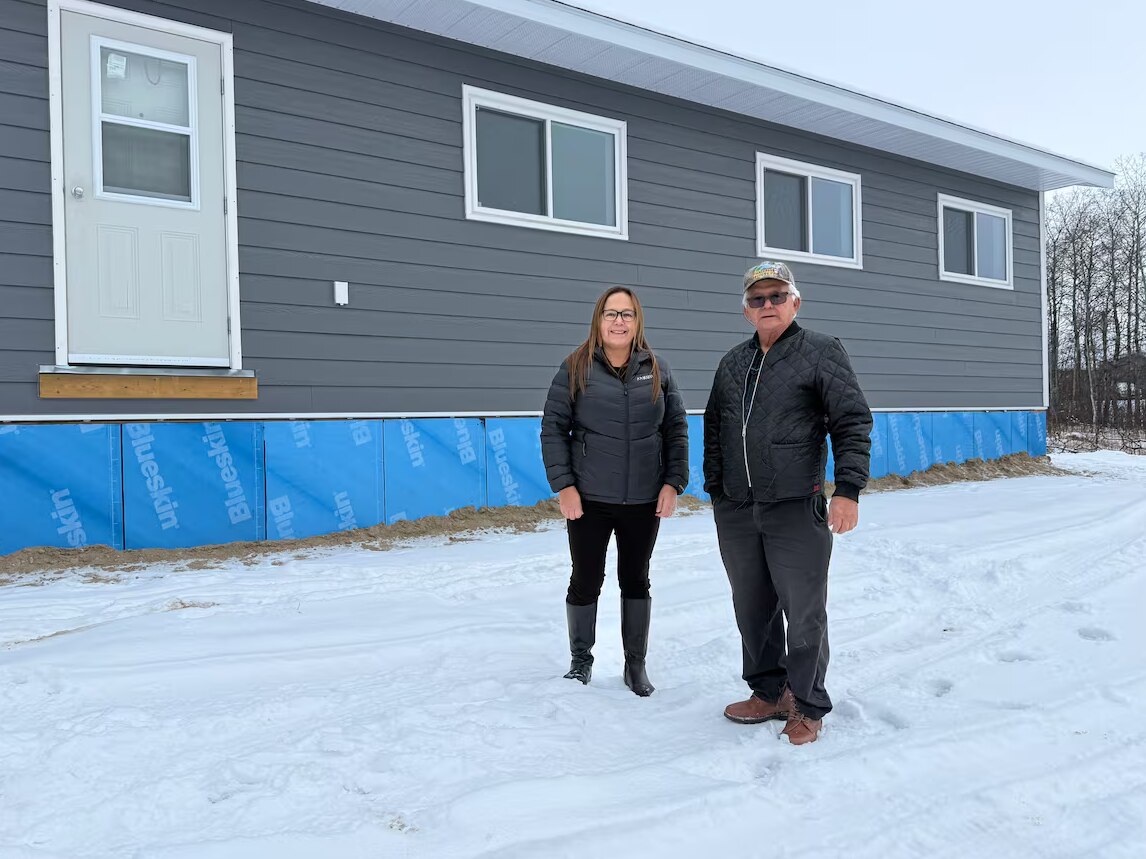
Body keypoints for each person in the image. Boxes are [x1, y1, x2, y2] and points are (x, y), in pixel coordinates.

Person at [704, 261, 872, 744]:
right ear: (746, 312)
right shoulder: (733, 362)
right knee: (752, 607)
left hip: (796, 504)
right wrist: (717, 490)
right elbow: (714, 429)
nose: (768, 305)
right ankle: (769, 690)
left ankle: (807, 703)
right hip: (737, 507)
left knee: (803, 610)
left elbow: (852, 422)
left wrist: (847, 491)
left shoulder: (821, 352)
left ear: (795, 302)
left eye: (777, 296)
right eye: (758, 299)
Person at [541, 286, 689, 697]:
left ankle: (635, 665)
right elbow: (553, 429)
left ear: (637, 321)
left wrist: (672, 483)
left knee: (635, 579)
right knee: (586, 580)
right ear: (598, 320)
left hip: (643, 499)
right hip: (589, 500)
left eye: (626, 314)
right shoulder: (575, 367)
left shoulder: (658, 368)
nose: (619, 321)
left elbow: (675, 428)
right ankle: (580, 661)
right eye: (611, 314)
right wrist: (565, 487)